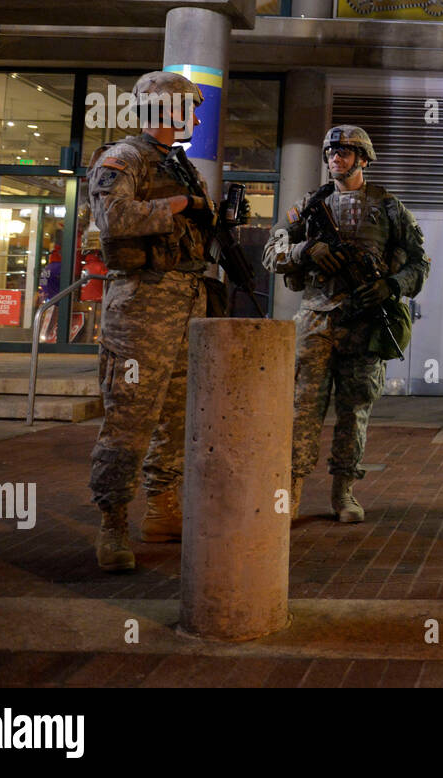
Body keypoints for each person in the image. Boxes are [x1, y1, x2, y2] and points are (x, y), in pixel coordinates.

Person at [86, 70, 246, 572]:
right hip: (140, 307)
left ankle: (162, 508)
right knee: (129, 419)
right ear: (166, 108)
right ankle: (112, 524)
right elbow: (112, 219)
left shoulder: (178, 165)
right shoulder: (123, 158)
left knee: (178, 417)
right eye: (190, 108)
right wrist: (180, 204)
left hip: (186, 302)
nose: (197, 117)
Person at [262, 125, 429, 522]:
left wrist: (391, 286)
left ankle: (344, 492)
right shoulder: (309, 206)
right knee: (303, 408)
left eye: (346, 151)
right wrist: (306, 250)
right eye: (331, 151)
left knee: (354, 410)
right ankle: (294, 489)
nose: (336, 157)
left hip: (365, 321)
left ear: (363, 159)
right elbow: (273, 252)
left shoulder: (388, 208)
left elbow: (420, 263)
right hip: (316, 320)